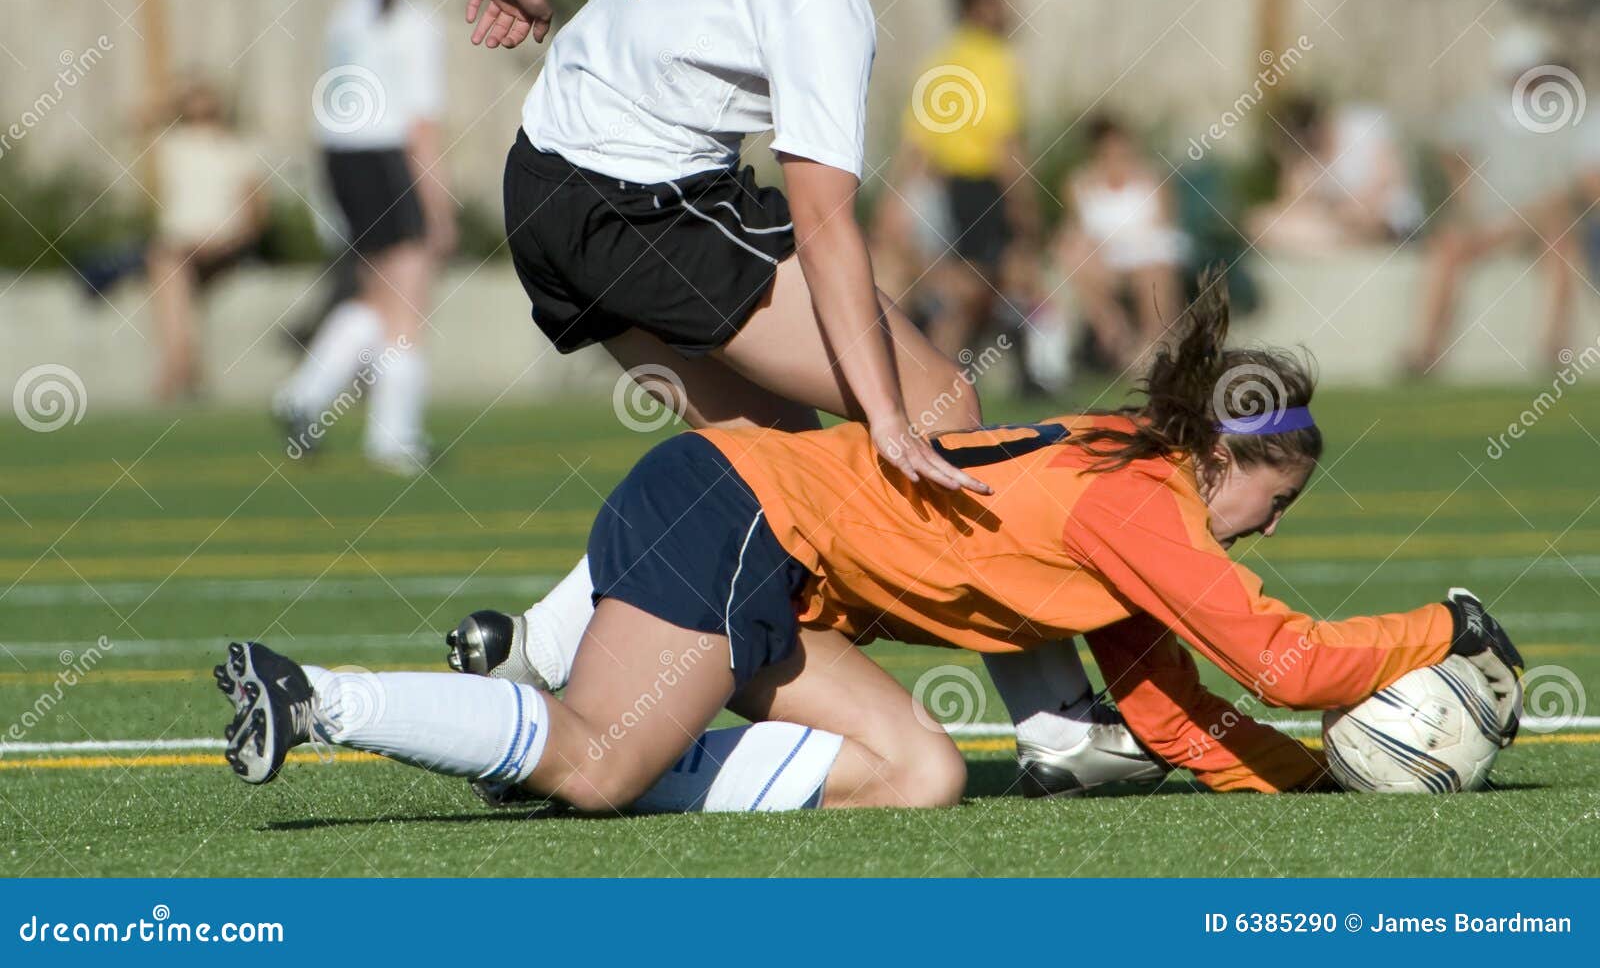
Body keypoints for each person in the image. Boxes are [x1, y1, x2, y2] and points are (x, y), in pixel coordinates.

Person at [216, 273, 1524, 811]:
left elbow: (1176, 716)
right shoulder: (1143, 507)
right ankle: (319, 696)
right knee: (603, 765)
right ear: (1225, 458)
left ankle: (535, 703)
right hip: (734, 512)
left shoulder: (1131, 479)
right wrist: (1448, 626)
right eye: (1275, 503)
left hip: (777, 562)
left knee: (919, 769)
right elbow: (1285, 659)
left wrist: (1310, 782)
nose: (1272, 529)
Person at [459, 0, 1130, 789]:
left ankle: (537, 659)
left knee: (767, 468)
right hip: (646, 208)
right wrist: (891, 414)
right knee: (942, 402)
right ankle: (1060, 723)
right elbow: (825, 227)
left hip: (548, 187)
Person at [272, 0, 454, 473]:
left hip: (339, 158)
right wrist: (440, 207)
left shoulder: (349, 13)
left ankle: (305, 396)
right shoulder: (417, 22)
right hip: (385, 159)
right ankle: (394, 438)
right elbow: (421, 127)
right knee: (407, 303)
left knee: (374, 299)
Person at [1405, 25, 1579, 376]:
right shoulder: (1480, 111)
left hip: (1540, 223)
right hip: (1487, 222)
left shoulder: (1562, 116)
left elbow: (1566, 189)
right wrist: (1467, 203)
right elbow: (1451, 154)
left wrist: (1517, 222)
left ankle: (1555, 350)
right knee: (1447, 249)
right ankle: (1426, 350)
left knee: (1561, 247)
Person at [894, 0, 1037, 361]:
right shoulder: (994, 59)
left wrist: (898, 201)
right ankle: (935, 363)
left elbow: (916, 142)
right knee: (976, 282)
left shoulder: (941, 59)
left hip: (949, 187)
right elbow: (1003, 139)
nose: (1007, 11)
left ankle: (1016, 369)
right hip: (981, 186)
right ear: (975, 8)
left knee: (998, 277)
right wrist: (1023, 197)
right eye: (997, 3)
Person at [146, 79, 269, 400]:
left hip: (223, 244)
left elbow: (256, 215)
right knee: (169, 263)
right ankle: (184, 363)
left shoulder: (237, 149)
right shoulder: (173, 144)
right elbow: (138, 118)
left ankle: (176, 369)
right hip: (178, 246)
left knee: (167, 264)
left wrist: (226, 241)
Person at [1055, 113, 1188, 375]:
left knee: (1153, 273)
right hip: (1104, 256)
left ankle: (1156, 346)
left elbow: (1164, 224)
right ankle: (1118, 336)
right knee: (1075, 260)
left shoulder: (1153, 178)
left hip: (1148, 251)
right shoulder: (1079, 183)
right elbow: (1075, 227)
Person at [1249, 96, 1423, 255]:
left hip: (1389, 222)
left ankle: (1328, 243)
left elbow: (1386, 186)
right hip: (1338, 223)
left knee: (1327, 226)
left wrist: (1336, 212)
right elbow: (1291, 203)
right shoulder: (1308, 157)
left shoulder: (1361, 124)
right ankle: (1327, 243)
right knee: (1261, 222)